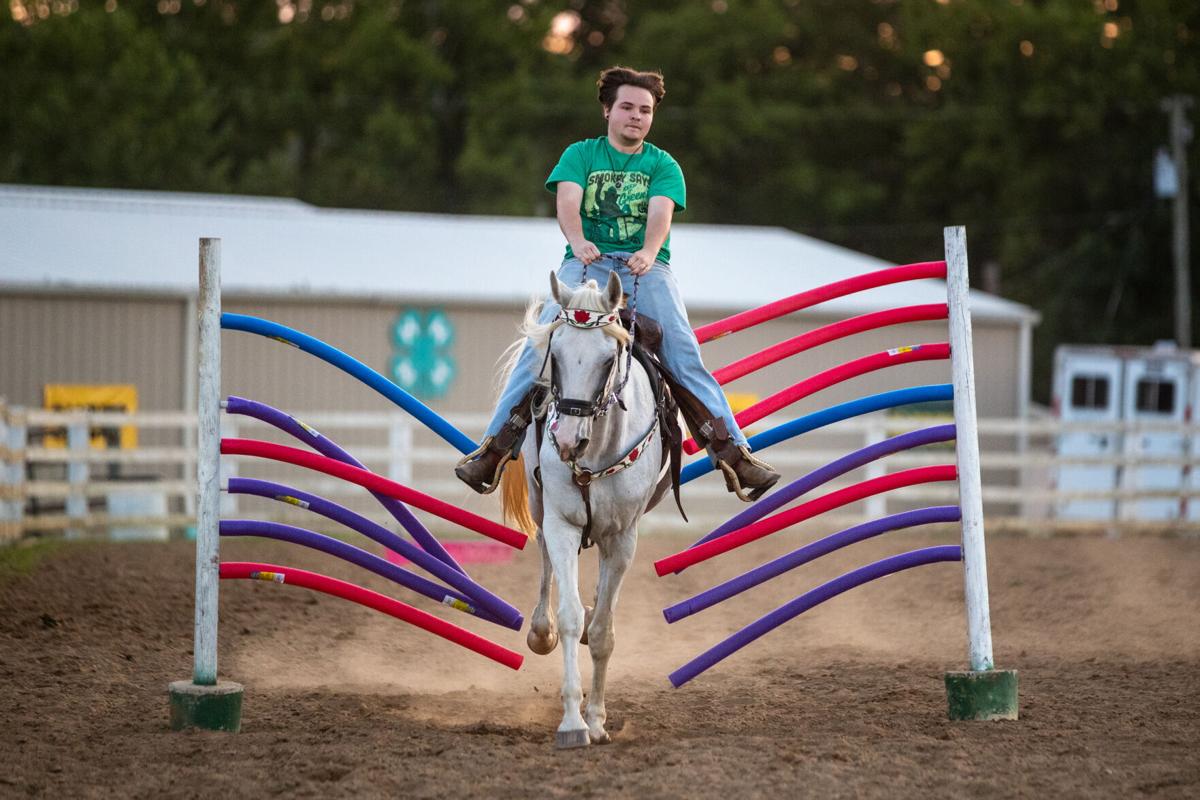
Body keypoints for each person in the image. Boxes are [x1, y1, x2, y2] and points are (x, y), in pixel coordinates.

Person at [455, 66, 780, 501]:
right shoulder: (580, 155)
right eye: (627, 107)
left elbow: (660, 213)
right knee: (537, 347)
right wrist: (578, 241)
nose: (636, 116)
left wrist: (648, 251)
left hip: (646, 269)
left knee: (684, 353)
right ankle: (493, 451)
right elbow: (567, 202)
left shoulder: (662, 164)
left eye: (645, 110)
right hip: (584, 265)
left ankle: (734, 456)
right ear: (608, 110)